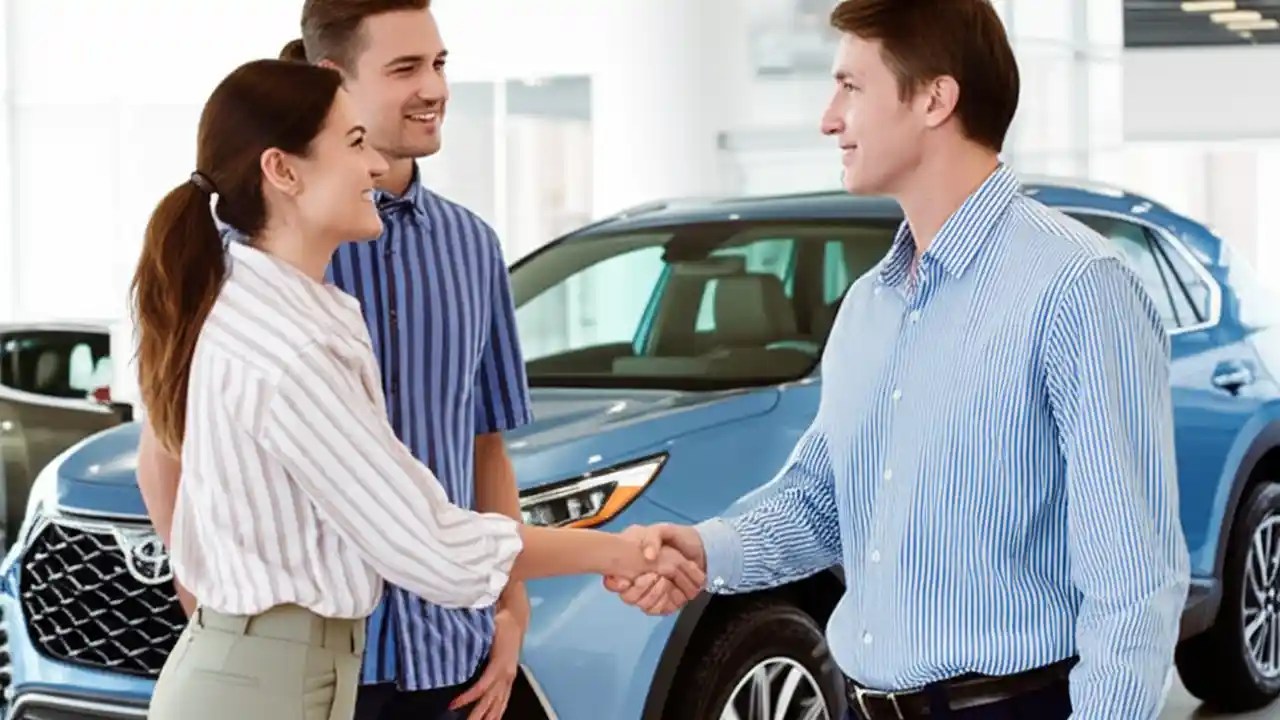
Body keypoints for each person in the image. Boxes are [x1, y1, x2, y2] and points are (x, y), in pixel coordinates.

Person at [606, 1, 1191, 718]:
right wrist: (704, 550)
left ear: (935, 99)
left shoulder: (1076, 287)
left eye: (851, 87)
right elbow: (822, 502)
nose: (828, 118)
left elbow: (1134, 582)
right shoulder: (869, 305)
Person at [129, 58, 702, 720]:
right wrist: (619, 550)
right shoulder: (290, 347)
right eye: (353, 143)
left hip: (272, 674)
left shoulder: (277, 306)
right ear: (282, 171)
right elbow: (429, 543)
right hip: (267, 686)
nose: (375, 166)